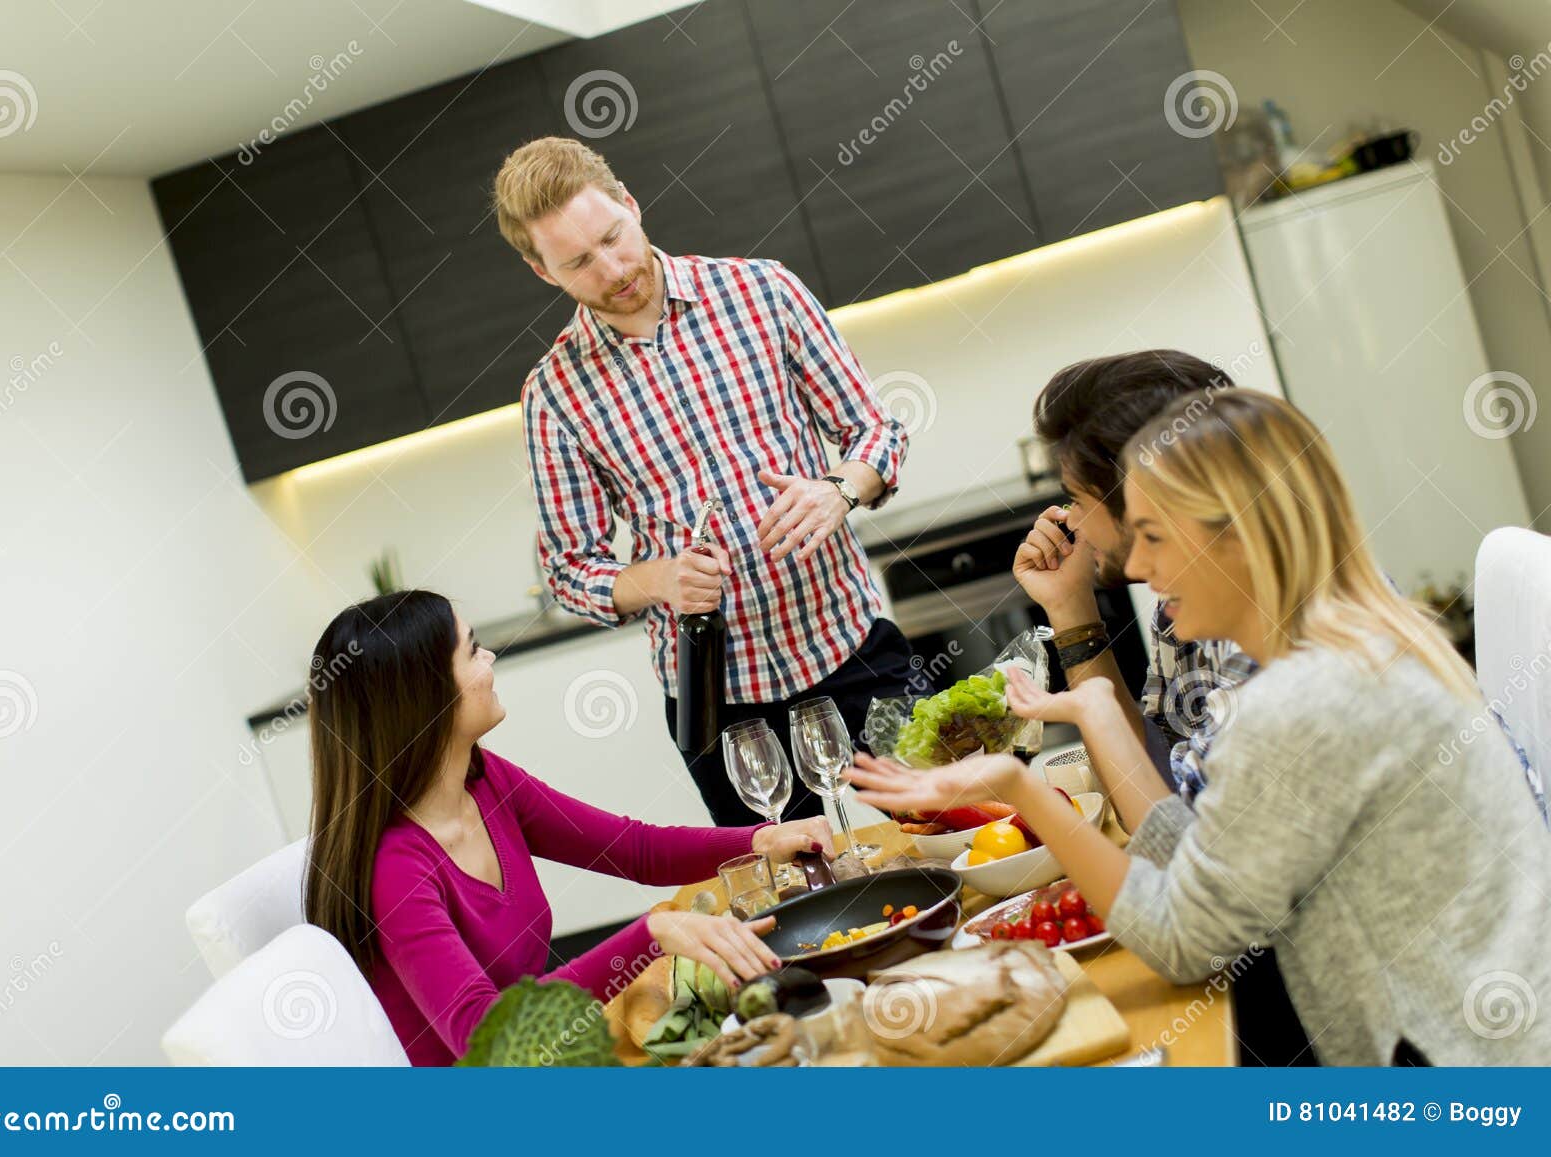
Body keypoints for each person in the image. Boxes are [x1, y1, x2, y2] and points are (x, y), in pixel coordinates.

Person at [849, 390, 1551, 1066]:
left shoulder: (1300, 705)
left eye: (1154, 536)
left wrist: (1019, 788)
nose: (1141, 567)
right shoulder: (1355, 639)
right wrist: (1099, 714)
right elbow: (1213, 862)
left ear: (1237, 538)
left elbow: (1187, 940)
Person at [494, 136, 918, 826]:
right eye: (578, 261)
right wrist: (658, 579)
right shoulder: (554, 393)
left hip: (850, 648)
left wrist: (838, 490)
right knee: (800, 907)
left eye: (613, 236)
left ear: (630, 205)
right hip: (718, 704)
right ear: (544, 272)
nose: (612, 268)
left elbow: (875, 430)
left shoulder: (763, 292)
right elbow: (570, 569)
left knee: (932, 849)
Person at [303, 590, 832, 1066]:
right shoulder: (396, 869)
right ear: (422, 697)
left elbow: (633, 849)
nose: (490, 659)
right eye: (472, 650)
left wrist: (758, 840)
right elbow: (487, 1038)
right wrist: (649, 935)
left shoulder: (484, 782)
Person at [1013, 350, 1253, 802]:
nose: (1072, 522)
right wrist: (1070, 608)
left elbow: (1176, 840)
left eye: (1078, 499)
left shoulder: (1260, 636)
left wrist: (1021, 790)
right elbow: (1157, 786)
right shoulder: (1183, 604)